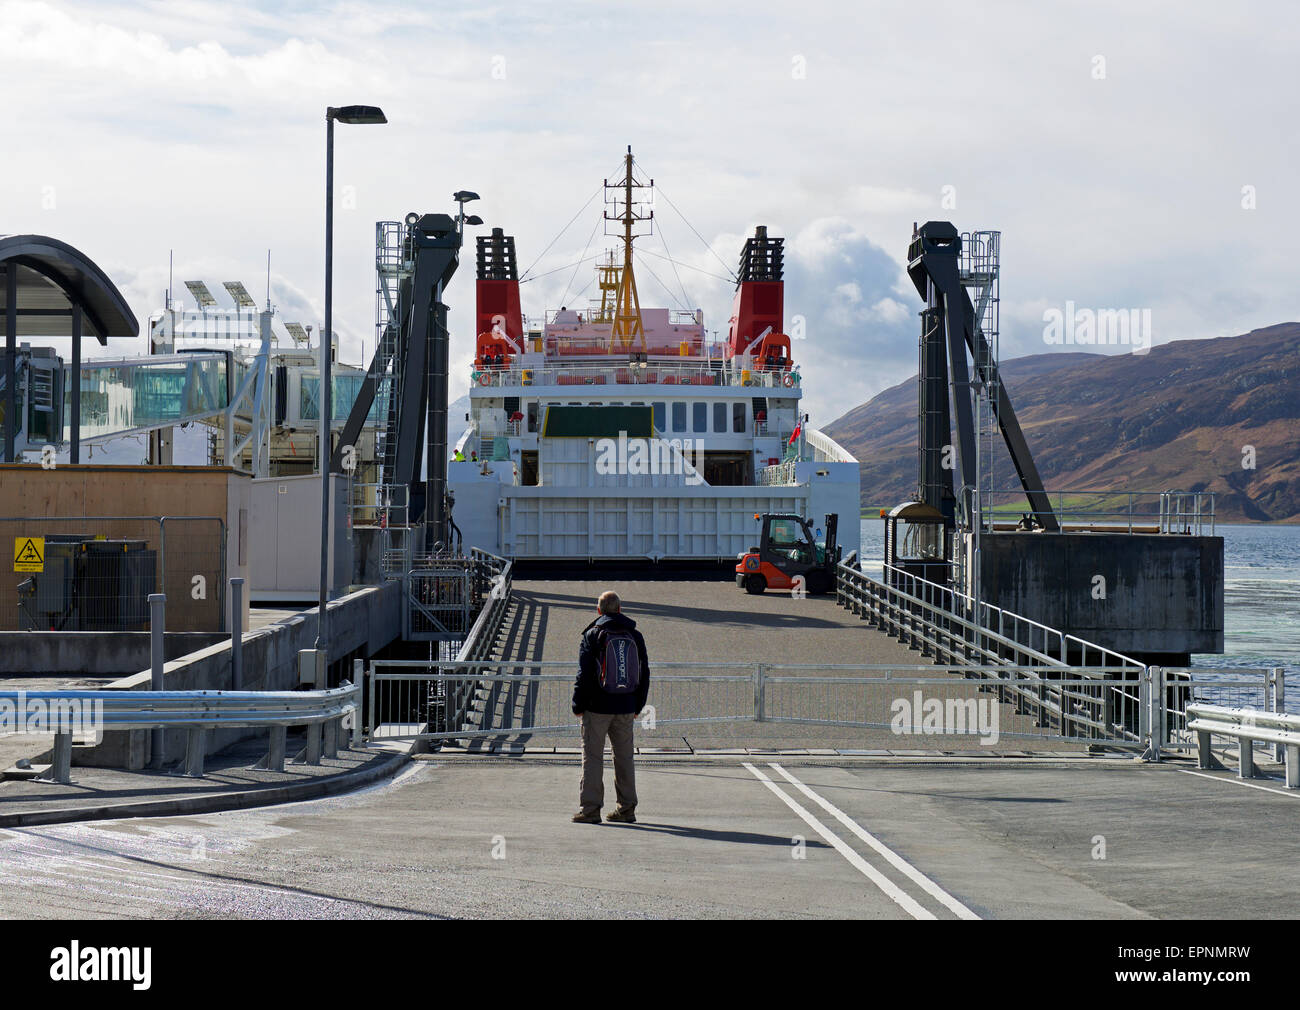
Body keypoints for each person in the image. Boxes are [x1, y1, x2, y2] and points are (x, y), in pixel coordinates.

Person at [571, 591, 650, 824]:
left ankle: (590, 810)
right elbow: (644, 672)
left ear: (599, 611)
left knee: (593, 757)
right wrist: (638, 704)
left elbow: (584, 675)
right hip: (626, 705)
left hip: (596, 707)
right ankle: (626, 809)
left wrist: (578, 704)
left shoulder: (592, 635)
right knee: (624, 757)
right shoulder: (634, 635)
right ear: (620, 609)